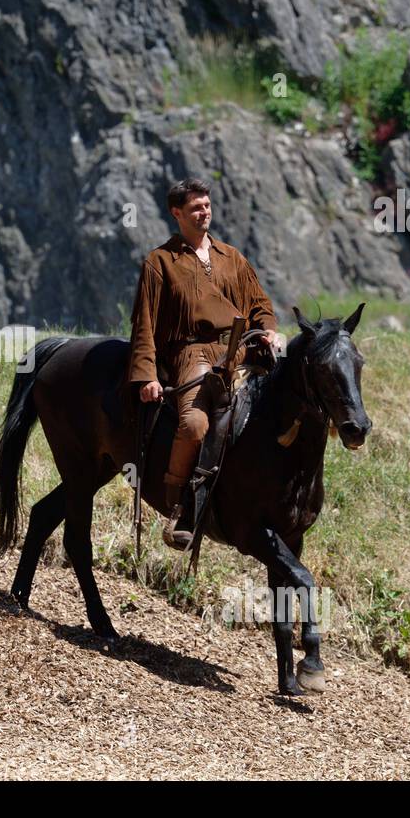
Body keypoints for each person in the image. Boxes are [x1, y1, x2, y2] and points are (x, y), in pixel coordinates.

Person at [128, 178, 279, 549]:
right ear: (177, 213)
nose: (204, 212)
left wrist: (269, 331)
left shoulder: (232, 257)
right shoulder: (160, 261)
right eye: (196, 207)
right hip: (192, 353)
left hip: (238, 349)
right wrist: (146, 375)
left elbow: (260, 305)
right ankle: (179, 503)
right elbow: (143, 324)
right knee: (194, 424)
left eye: (207, 205)